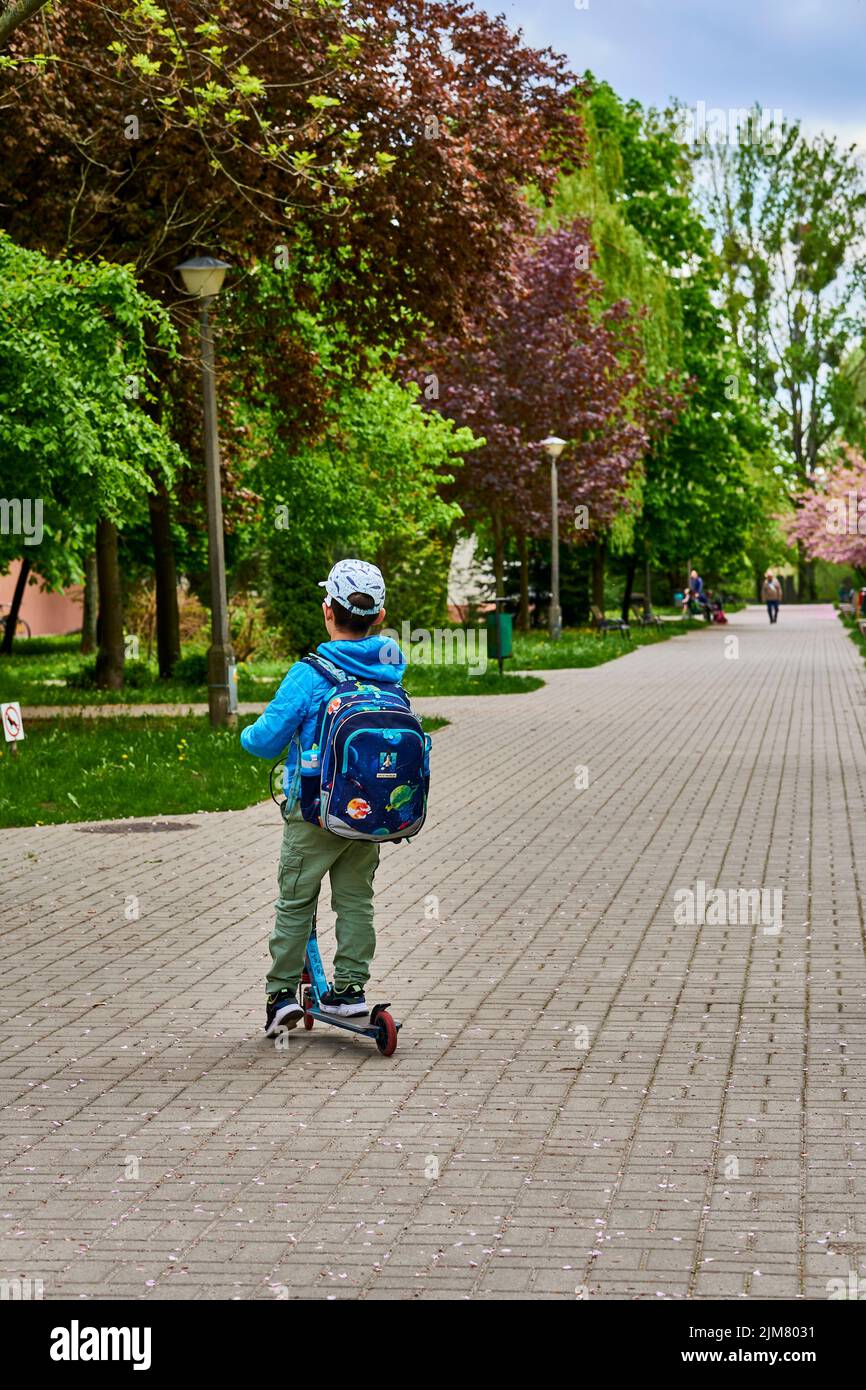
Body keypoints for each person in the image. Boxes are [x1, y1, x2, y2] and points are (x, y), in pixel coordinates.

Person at [240, 559, 407, 1037]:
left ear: (328, 610)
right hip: (368, 814)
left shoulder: (309, 674)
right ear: (379, 615)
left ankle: (279, 999)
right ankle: (351, 990)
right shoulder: (388, 672)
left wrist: (246, 735)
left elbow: (266, 739)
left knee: (295, 901)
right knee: (356, 901)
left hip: (313, 812)